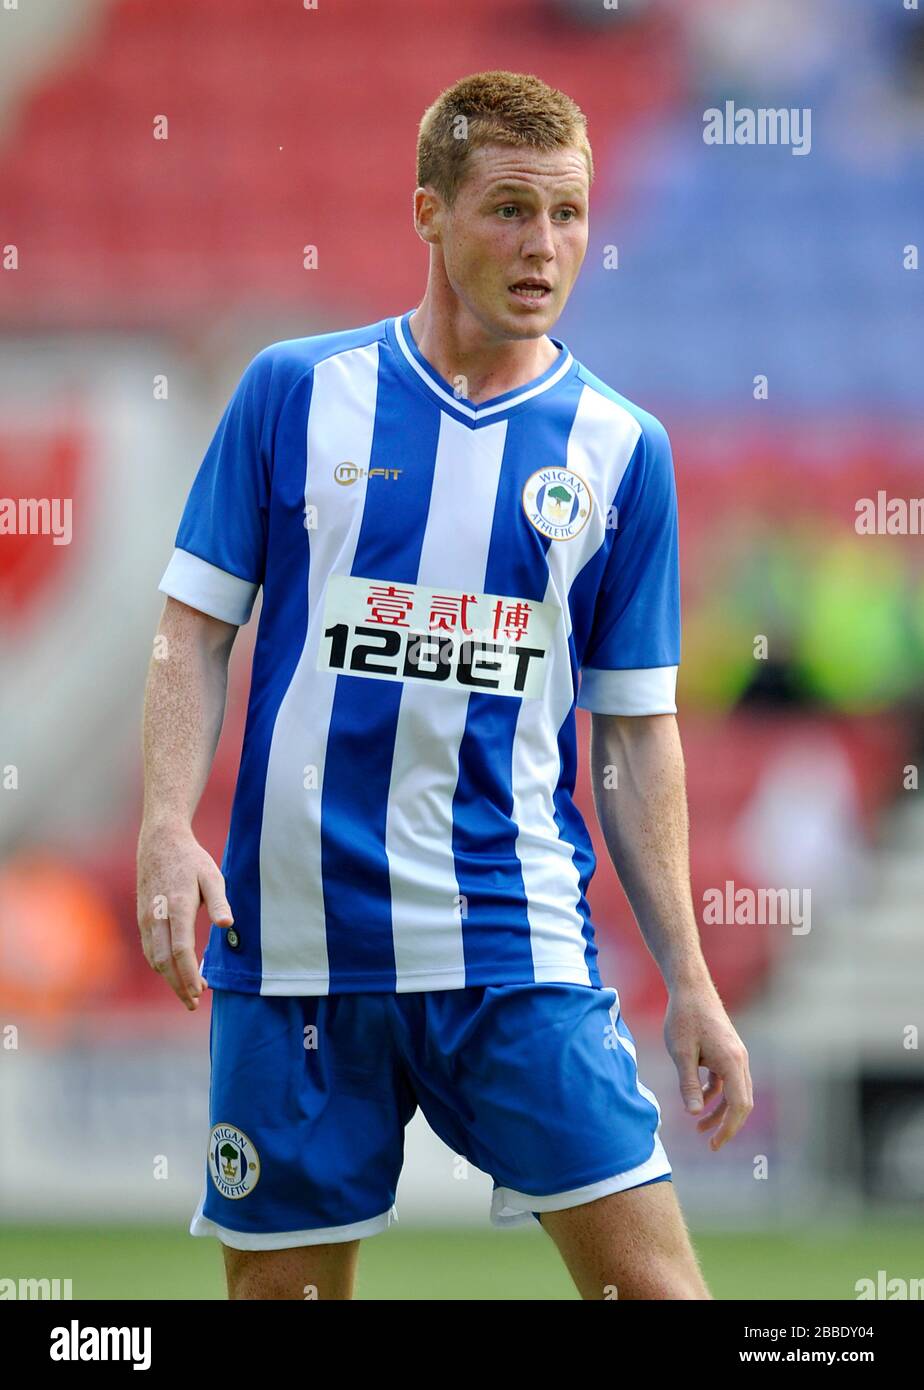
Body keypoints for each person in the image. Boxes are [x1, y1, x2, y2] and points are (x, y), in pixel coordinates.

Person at [137, 69, 752, 1301]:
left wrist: (690, 977)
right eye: (509, 209)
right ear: (428, 211)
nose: (545, 246)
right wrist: (162, 823)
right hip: (298, 951)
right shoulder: (294, 394)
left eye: (568, 215)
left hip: (515, 950)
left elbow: (634, 734)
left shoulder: (622, 451)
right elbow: (191, 630)